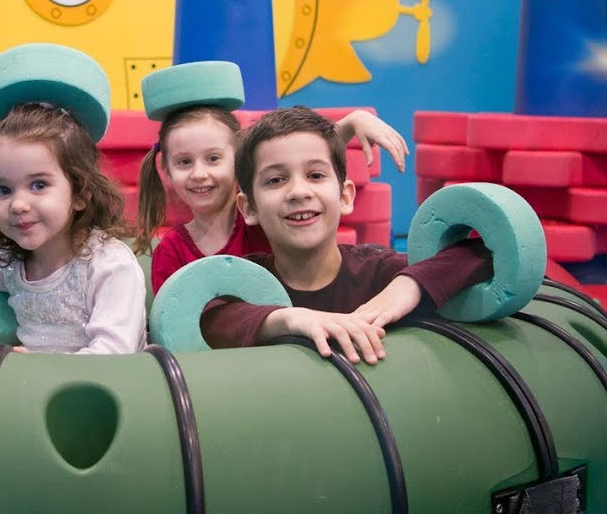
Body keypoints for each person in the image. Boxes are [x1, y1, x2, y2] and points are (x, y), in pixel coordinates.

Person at [199, 105, 493, 363]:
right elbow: (212, 317)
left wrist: (407, 287)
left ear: (345, 196)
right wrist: (288, 318)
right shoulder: (243, 282)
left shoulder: (378, 273)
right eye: (276, 180)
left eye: (315, 175)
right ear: (249, 208)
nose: (299, 191)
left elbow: (485, 252)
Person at [133, 105, 409, 296]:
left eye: (213, 158)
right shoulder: (172, 251)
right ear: (167, 170)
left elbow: (296, 158)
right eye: (184, 162)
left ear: (238, 161)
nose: (199, 174)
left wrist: (351, 123)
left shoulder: (261, 221)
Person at [0, 101, 148, 354]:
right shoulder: (7, 263)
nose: (18, 205)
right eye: (3, 190)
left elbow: (113, 354)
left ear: (80, 193)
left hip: (106, 380)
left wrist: (39, 369)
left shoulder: (109, 265)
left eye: (38, 185)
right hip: (30, 377)